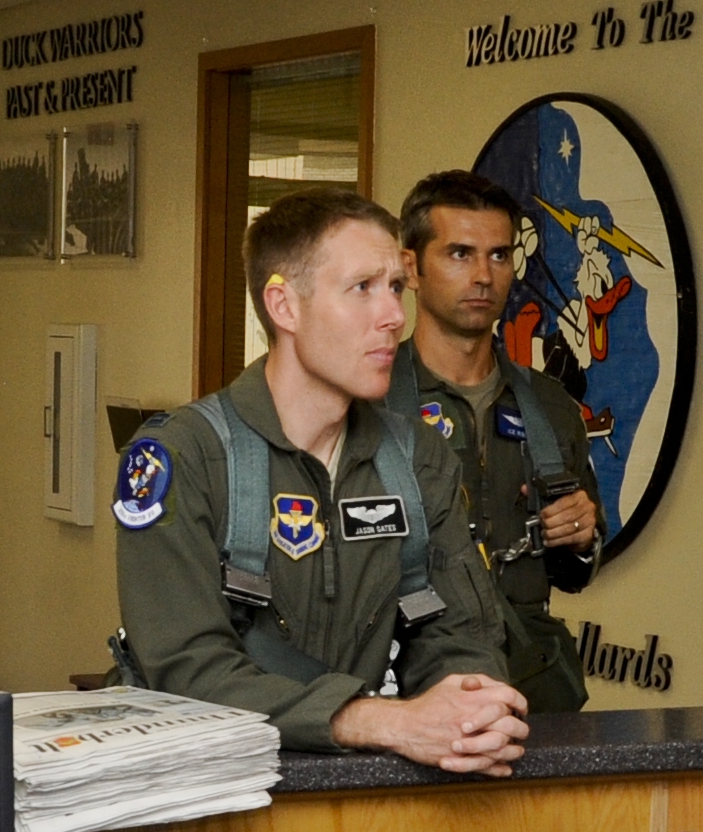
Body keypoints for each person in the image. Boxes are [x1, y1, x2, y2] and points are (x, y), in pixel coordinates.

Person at [112, 188, 525, 772]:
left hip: (353, 789)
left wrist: (469, 714)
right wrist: (378, 720)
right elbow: (186, 670)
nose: (393, 316)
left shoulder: (417, 459)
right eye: (362, 288)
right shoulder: (185, 458)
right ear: (284, 306)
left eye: (395, 287)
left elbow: (458, 632)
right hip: (205, 788)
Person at [387, 169, 607, 714]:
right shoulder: (367, 402)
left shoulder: (549, 408)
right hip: (404, 688)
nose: (483, 276)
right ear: (411, 268)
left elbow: (576, 571)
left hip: (529, 687)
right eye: (460, 254)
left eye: (499, 256)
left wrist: (581, 537)